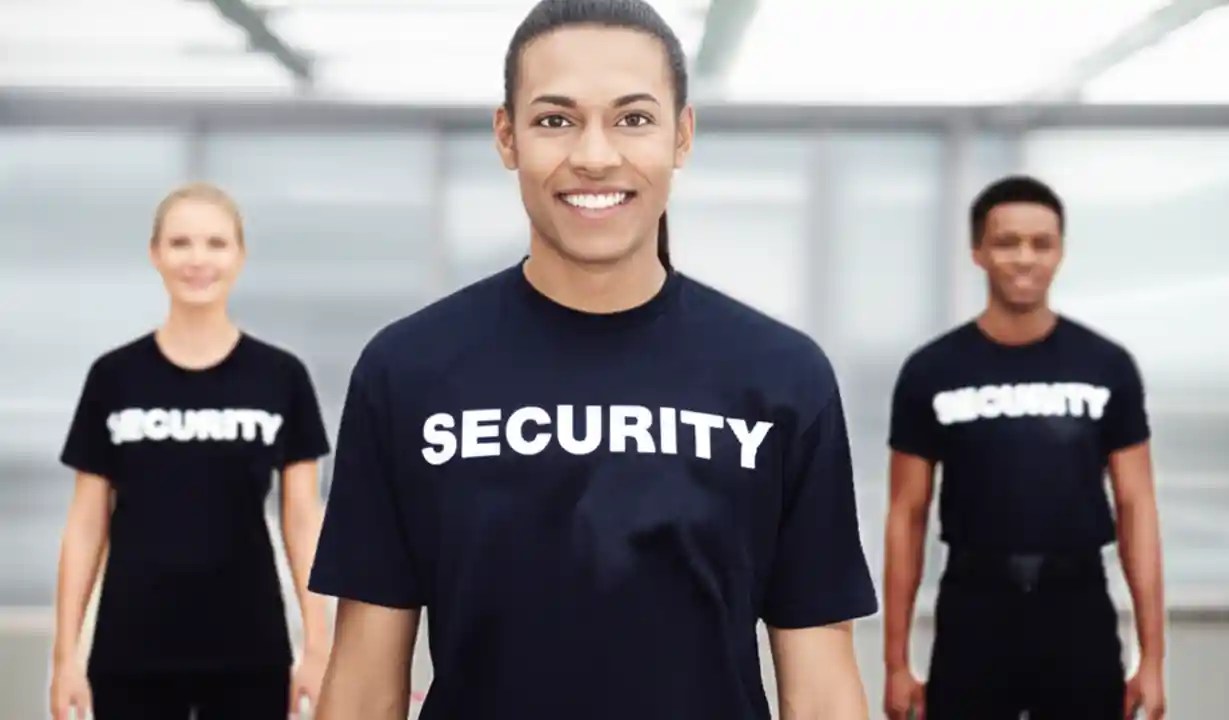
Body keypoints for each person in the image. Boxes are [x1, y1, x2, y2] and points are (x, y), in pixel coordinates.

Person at [306, 1, 878, 718]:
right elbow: (363, 682)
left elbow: (822, 686)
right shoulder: (408, 371)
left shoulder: (780, 377)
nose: (596, 155)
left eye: (633, 118)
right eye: (556, 120)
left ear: (682, 135)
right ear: (507, 136)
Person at [881, 175, 1168, 720]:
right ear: (978, 252)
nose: (1024, 258)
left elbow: (1138, 507)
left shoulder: (1106, 366)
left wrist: (1152, 659)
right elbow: (906, 515)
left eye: (1041, 243)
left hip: (1077, 607)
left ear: (1060, 252)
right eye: (1007, 242)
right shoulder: (932, 370)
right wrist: (895, 662)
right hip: (974, 609)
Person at [49, 182, 334, 720]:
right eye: (180, 243)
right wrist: (65, 657)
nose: (198, 259)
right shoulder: (114, 377)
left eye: (216, 243)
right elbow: (86, 524)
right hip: (130, 652)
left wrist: (319, 647)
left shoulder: (281, 377)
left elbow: (302, 521)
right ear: (155, 253)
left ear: (240, 255)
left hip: (251, 651)